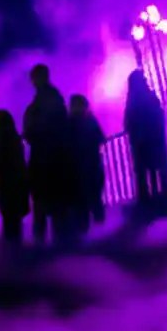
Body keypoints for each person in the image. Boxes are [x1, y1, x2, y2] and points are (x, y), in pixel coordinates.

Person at [22, 64, 76, 243]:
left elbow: (33, 131)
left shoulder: (42, 102)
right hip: (55, 158)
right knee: (56, 203)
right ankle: (61, 242)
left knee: (45, 202)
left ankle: (47, 243)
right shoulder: (54, 99)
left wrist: (34, 133)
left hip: (46, 159)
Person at [125, 70, 167, 202]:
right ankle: (163, 193)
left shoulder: (132, 99)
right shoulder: (148, 96)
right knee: (157, 165)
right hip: (152, 137)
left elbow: (128, 121)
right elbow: (158, 112)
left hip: (141, 140)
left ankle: (147, 197)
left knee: (144, 169)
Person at [0, 109, 30, 245]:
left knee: (9, 215)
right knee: (14, 215)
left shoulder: (0, 139)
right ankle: (15, 246)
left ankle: (11, 245)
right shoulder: (15, 138)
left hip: (6, 181)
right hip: (17, 180)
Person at [69, 94, 106, 232]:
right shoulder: (90, 120)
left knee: (82, 202)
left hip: (78, 167)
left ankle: (85, 231)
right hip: (92, 164)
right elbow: (101, 138)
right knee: (95, 198)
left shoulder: (70, 123)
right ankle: (100, 229)